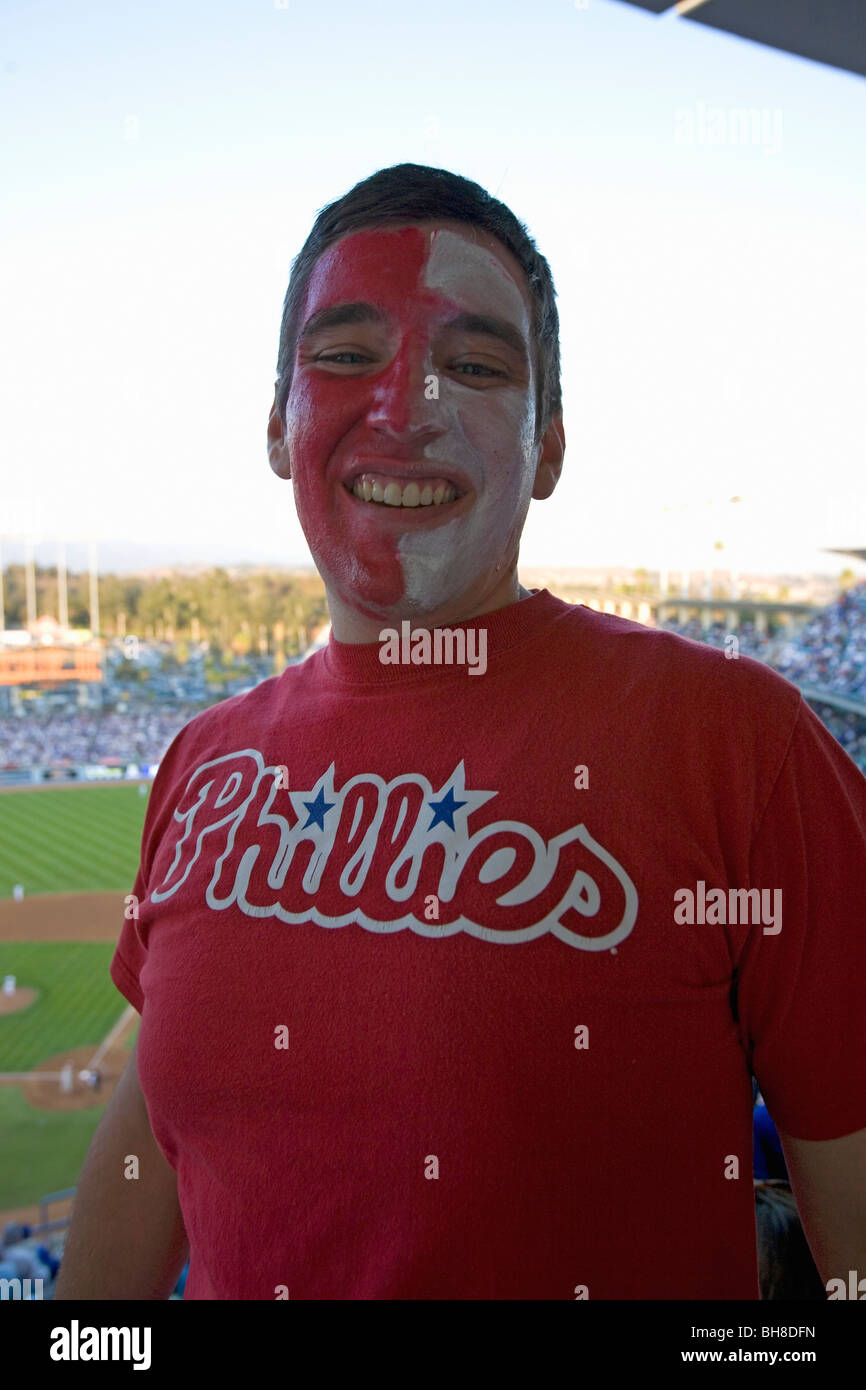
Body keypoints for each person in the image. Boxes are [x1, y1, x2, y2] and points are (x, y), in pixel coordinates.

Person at [55, 163, 866, 1301]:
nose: (404, 405)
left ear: (547, 451)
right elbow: (148, 1149)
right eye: (342, 356)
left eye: (475, 366)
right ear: (279, 425)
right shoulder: (201, 762)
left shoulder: (741, 743)